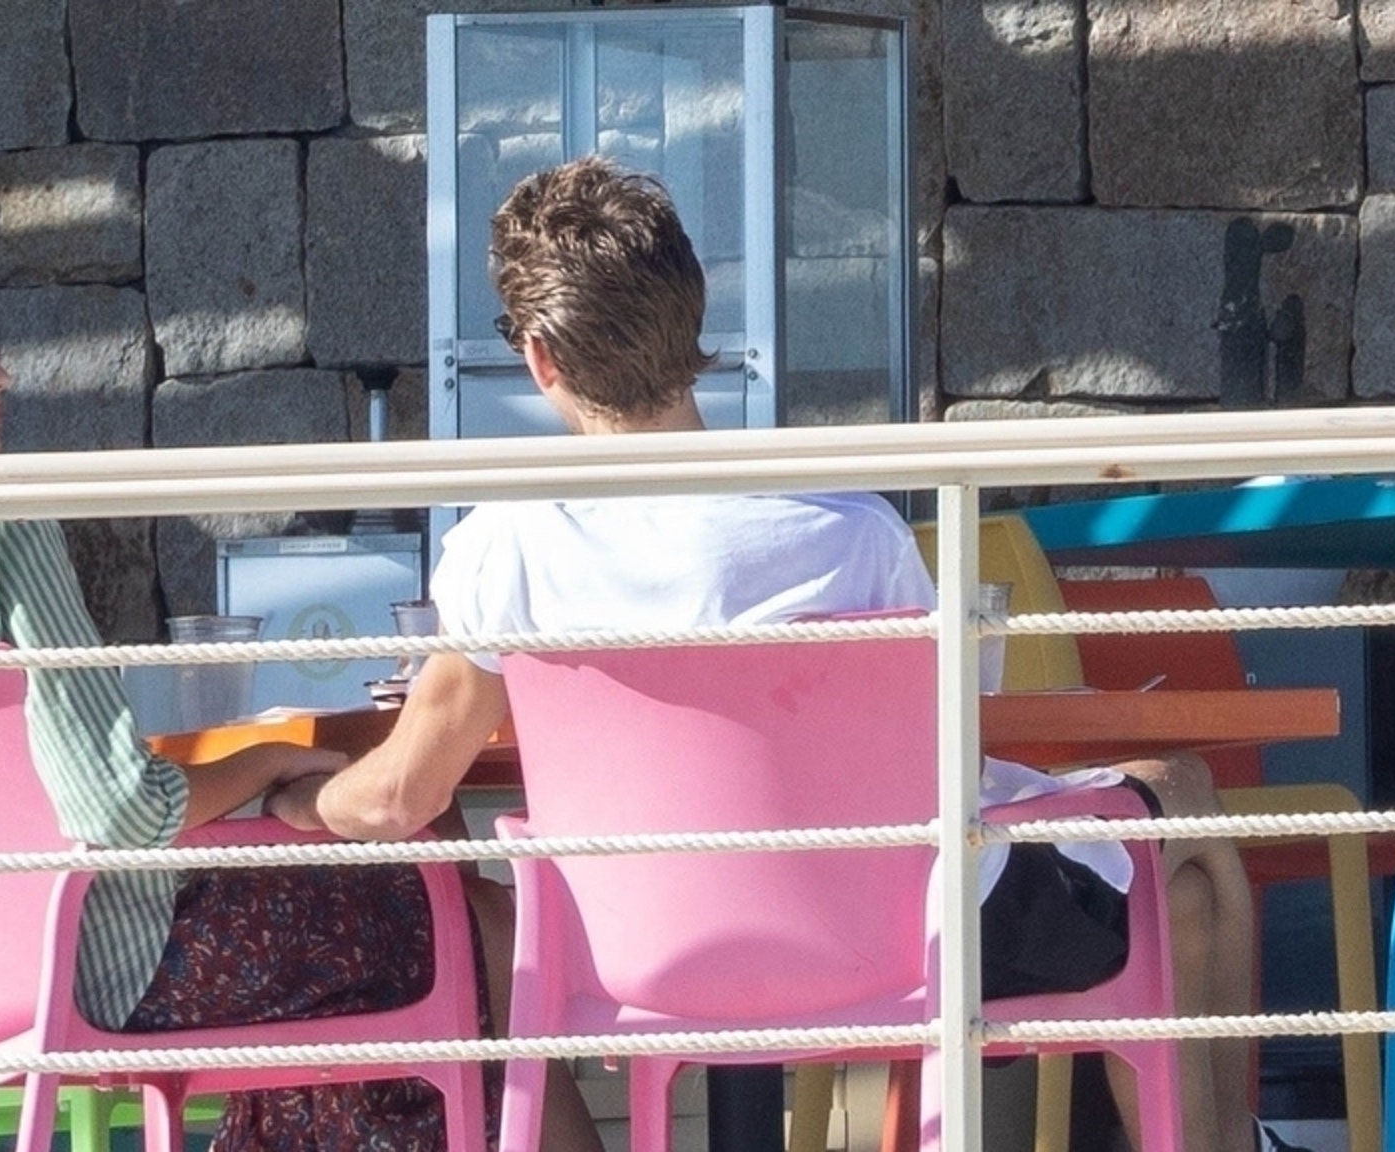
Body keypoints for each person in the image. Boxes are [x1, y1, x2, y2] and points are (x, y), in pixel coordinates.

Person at [263, 157, 1274, 1152]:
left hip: (629, 952)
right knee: (1176, 803)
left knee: (1174, 892)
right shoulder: (846, 528)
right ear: (694, 322)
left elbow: (399, 798)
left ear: (539, 358)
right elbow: (937, 767)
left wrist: (290, 798)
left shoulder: (504, 548)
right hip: (890, 948)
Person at [0, 244, 513, 1152]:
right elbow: (116, 809)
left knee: (359, 936)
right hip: (100, 973)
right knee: (448, 907)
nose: (2, 372)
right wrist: (262, 763)